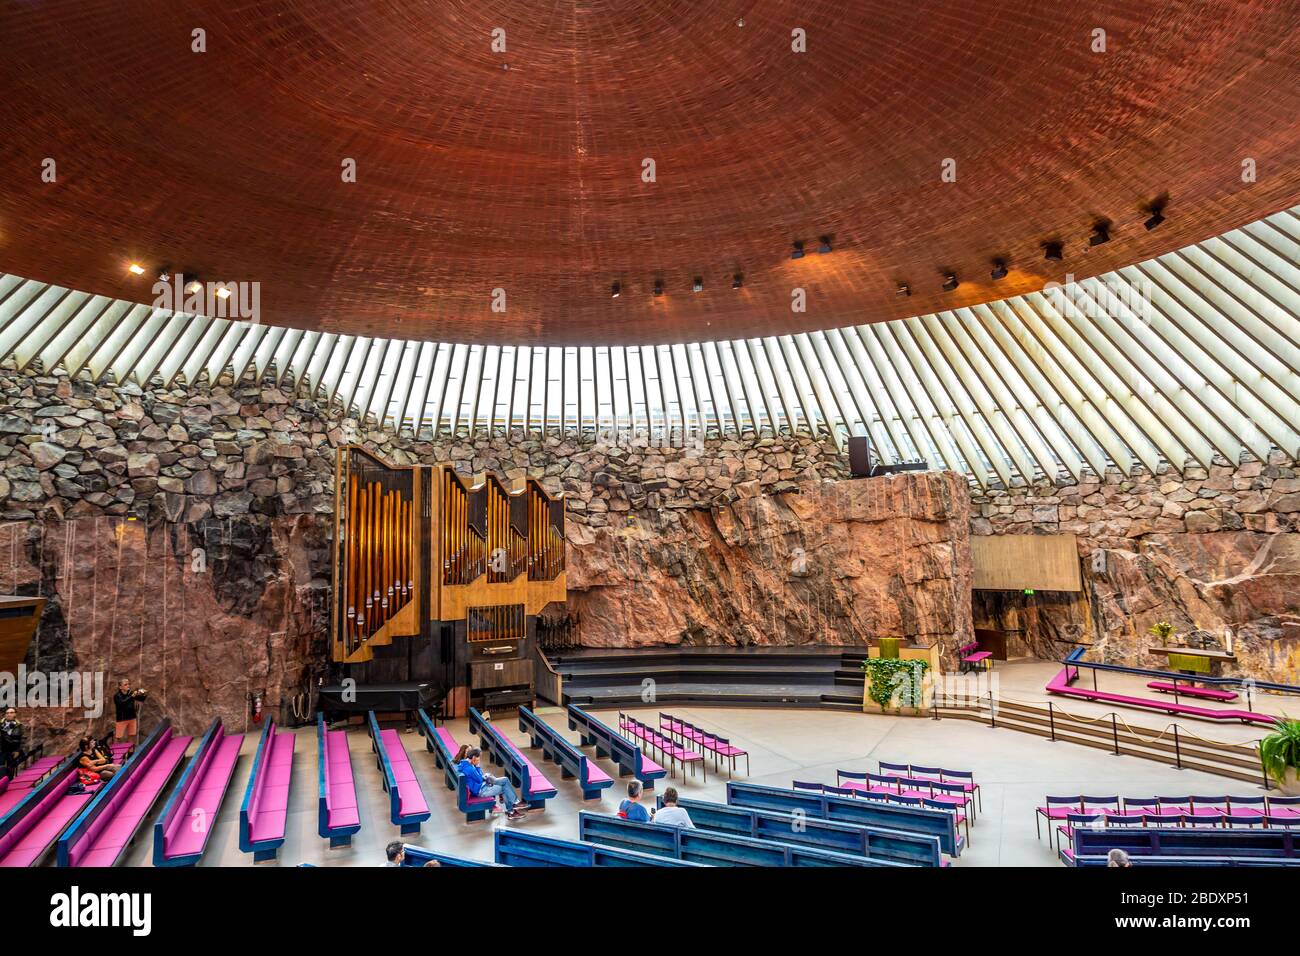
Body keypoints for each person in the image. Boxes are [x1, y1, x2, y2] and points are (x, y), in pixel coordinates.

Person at [454, 745, 525, 820]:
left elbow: (480, 776)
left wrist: (479, 770)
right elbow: (479, 779)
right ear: (474, 758)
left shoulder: (467, 764)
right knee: (505, 785)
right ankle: (513, 807)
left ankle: (513, 808)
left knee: (505, 781)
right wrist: (477, 766)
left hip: (482, 787)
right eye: (478, 758)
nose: (479, 760)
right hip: (481, 791)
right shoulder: (469, 768)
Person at [0, 707, 23, 779]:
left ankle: (10, 782)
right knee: (1, 768)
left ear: (15, 714)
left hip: (12, 750)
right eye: (7, 713)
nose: (9, 714)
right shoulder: (1, 724)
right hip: (1, 749)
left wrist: (18, 750)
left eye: (11, 712)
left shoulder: (19, 725)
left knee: (11, 768)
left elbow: (21, 739)